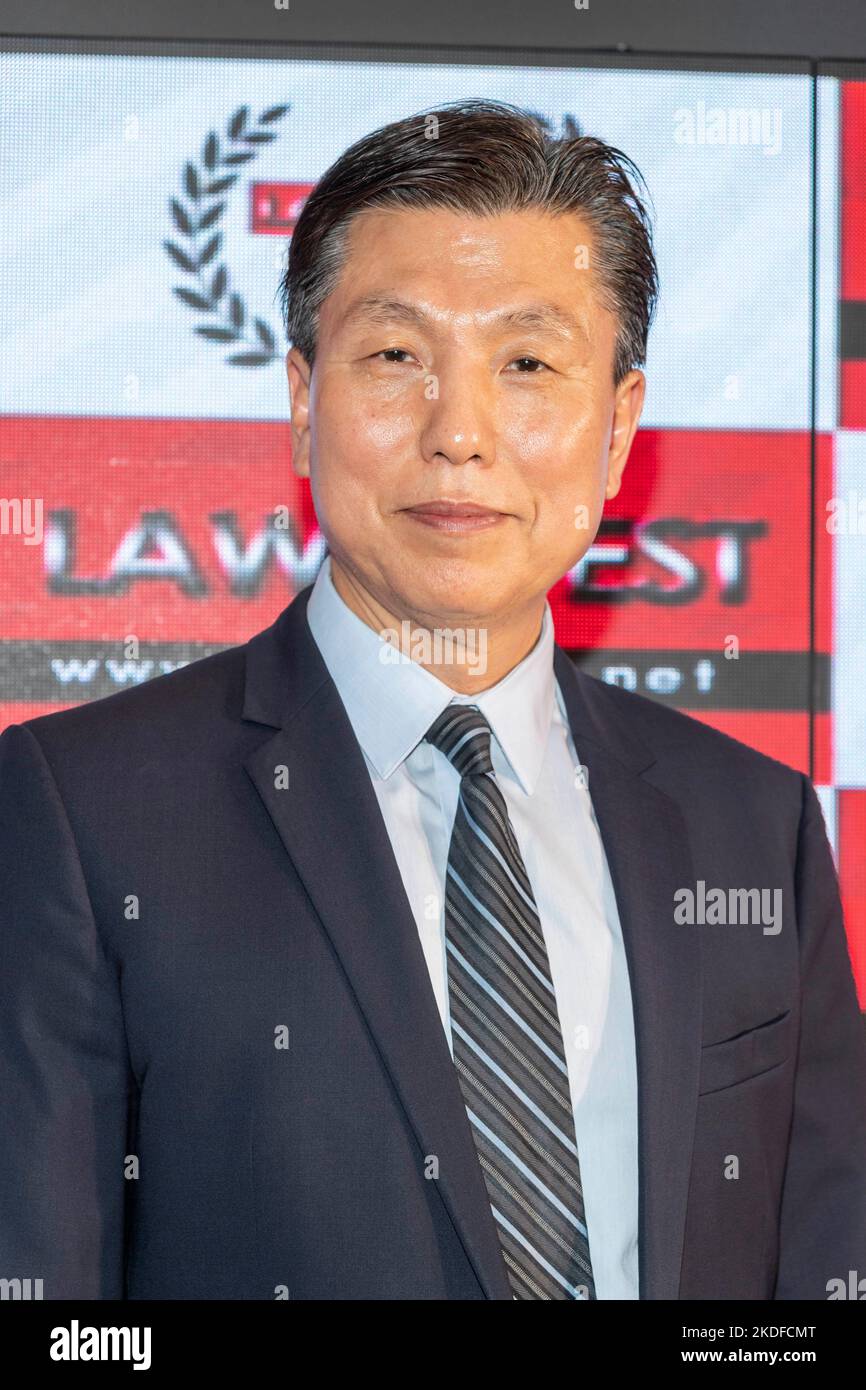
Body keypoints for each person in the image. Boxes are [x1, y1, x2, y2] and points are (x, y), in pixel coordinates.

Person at [1, 99, 864, 1300]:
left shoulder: (753, 829)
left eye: (525, 363)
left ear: (617, 430)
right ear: (302, 398)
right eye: (396, 356)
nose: (458, 434)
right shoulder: (81, 815)